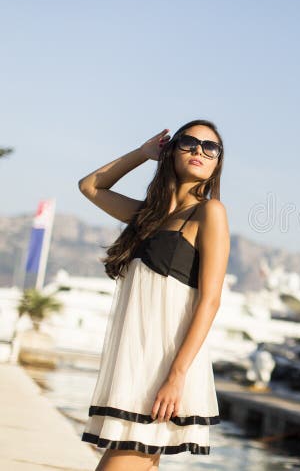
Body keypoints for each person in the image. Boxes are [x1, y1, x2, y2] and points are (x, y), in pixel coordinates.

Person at [77, 120, 230, 470]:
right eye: (189, 142)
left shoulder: (209, 213)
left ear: (217, 163)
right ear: (171, 150)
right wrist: (143, 153)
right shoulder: (146, 216)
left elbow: (210, 301)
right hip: (137, 372)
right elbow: (90, 186)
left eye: (211, 148)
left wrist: (176, 377)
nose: (199, 151)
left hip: (164, 372)